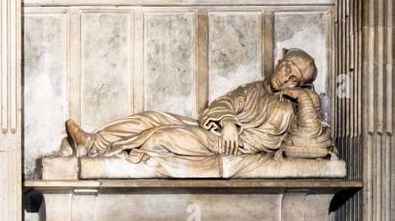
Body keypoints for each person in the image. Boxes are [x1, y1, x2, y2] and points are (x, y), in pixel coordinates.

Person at [62, 48, 335, 173]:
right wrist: (228, 120)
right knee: (151, 117)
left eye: (295, 78)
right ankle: (92, 142)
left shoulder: (287, 110)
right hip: (213, 132)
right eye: (287, 67)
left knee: (161, 135)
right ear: (280, 61)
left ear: (300, 86)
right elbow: (219, 107)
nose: (287, 77)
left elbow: (295, 139)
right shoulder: (254, 88)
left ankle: (109, 154)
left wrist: (304, 100)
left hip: (225, 147)